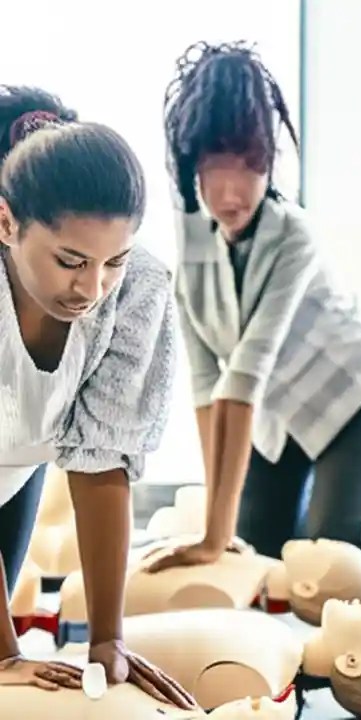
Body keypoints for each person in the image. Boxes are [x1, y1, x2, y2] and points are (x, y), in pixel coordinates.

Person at [144, 41, 361, 570]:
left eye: (250, 164)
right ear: (194, 163)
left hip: (355, 392)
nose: (233, 190)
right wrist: (216, 531)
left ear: (269, 161)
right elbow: (205, 382)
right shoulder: (191, 235)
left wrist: (212, 537)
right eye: (216, 164)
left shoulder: (295, 235)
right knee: (256, 555)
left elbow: (243, 378)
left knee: (326, 560)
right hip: (279, 415)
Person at [0, 85, 196, 708]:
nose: (93, 286)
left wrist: (107, 641)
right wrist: (7, 655)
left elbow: (102, 458)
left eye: (113, 260)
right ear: (5, 222)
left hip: (15, 464)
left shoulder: (137, 288)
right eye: (70, 260)